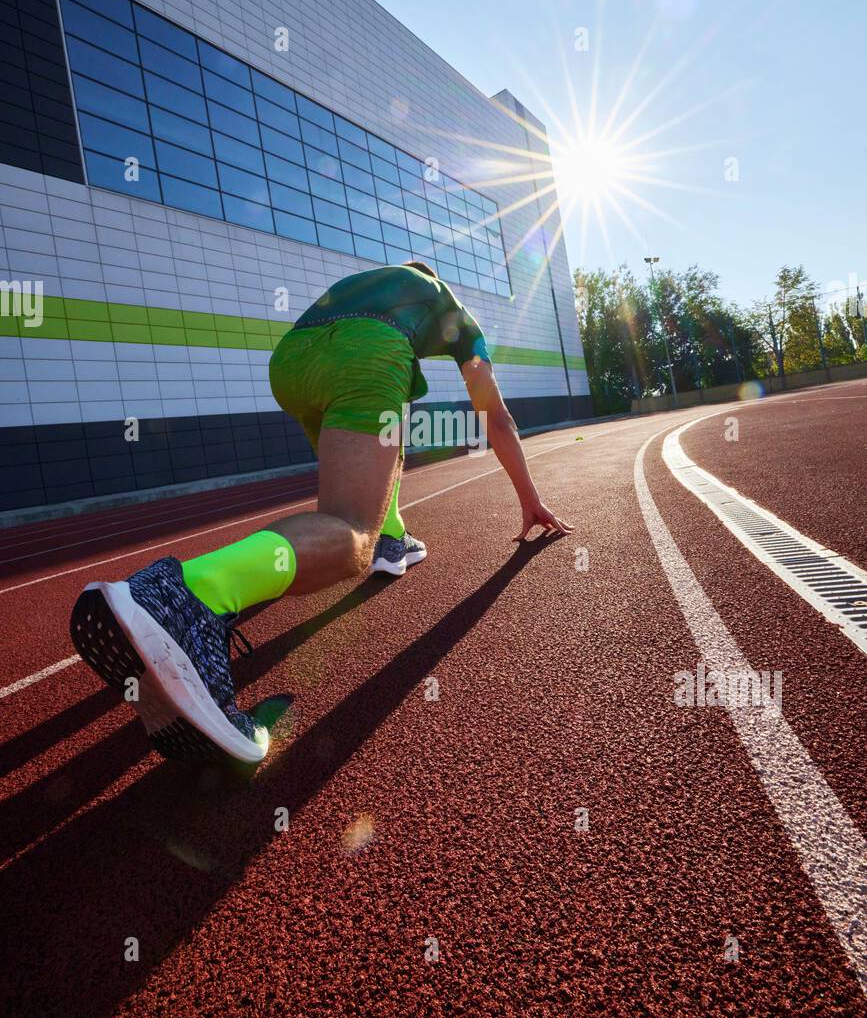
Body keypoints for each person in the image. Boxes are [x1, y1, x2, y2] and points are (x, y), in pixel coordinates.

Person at [70, 262, 573, 764]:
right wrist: (530, 498)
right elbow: (495, 416)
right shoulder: (455, 315)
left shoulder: (371, 285)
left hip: (292, 362)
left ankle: (392, 538)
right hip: (365, 353)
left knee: (387, 431)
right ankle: (183, 595)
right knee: (349, 534)